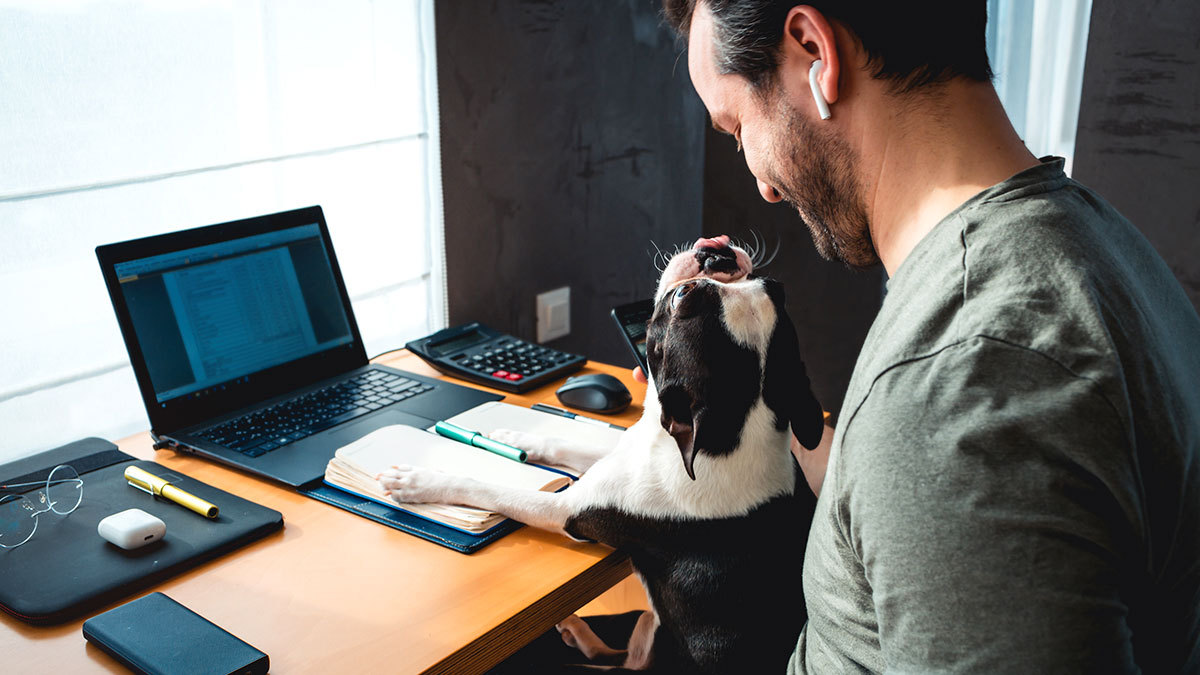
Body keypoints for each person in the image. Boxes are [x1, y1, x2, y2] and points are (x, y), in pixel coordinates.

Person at [656, 0, 1200, 672]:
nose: (762, 183)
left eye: (739, 128)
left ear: (813, 52)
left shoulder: (962, 381)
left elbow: (939, 445)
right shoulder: (1099, 243)